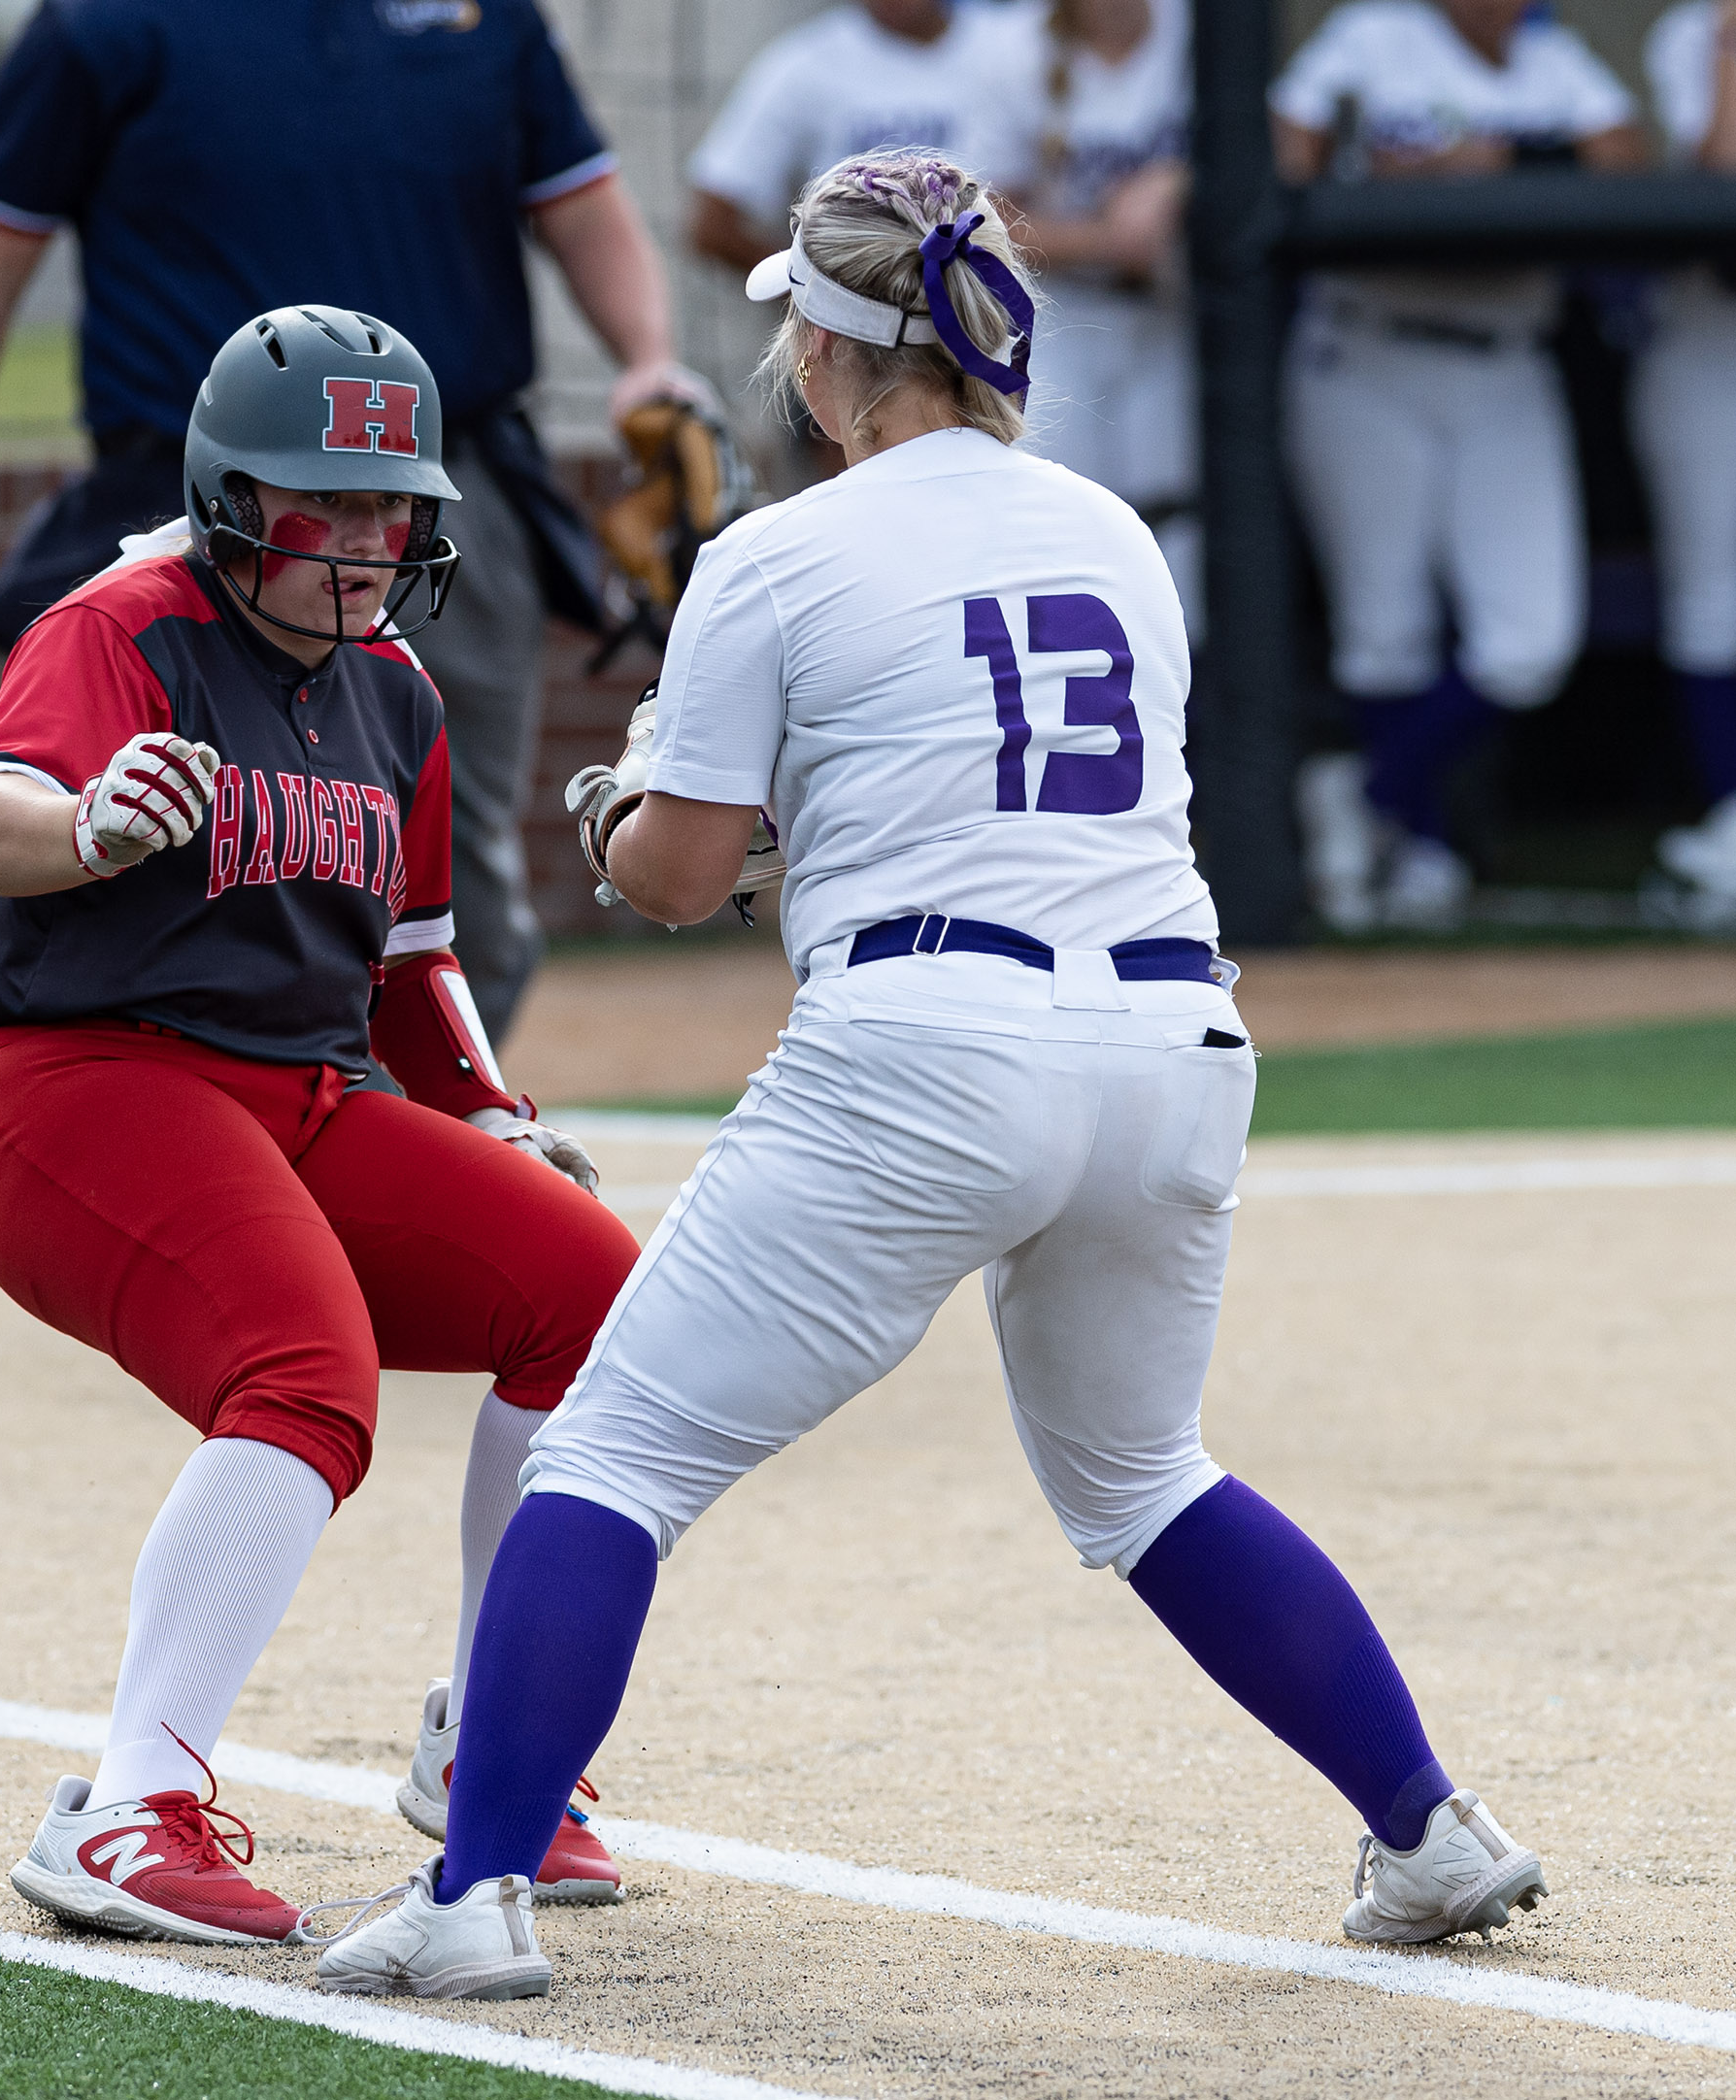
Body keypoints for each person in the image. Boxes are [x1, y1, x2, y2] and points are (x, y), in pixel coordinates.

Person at [305, 152, 1548, 2000]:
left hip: (927, 1048)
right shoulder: (1112, 529)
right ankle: (1430, 1825)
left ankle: (476, 1890)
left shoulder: (778, 552)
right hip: (1170, 1043)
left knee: (608, 1451)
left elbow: (664, 875)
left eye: (800, 328)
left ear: (832, 352)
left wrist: (636, 781)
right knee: (1144, 1479)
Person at [0, 306, 640, 1945]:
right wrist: (88, 823)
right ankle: (129, 1807)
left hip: (305, 1089)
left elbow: (414, 956)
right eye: (330, 505)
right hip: (83, 1077)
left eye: (394, 508)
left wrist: (487, 1110)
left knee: (599, 1293)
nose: (369, 541)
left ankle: (497, 1756)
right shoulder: (127, 622)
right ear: (236, 498)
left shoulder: (394, 690)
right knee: (301, 1368)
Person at [0, 0, 699, 1048]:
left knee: (448, 887)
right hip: (202, 504)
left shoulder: (488, 17)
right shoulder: (100, 22)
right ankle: (191, 1129)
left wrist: (648, 358)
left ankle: (412, 1135)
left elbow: (582, 203)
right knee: (161, 848)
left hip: (436, 494)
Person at [1271, 0, 1647, 933]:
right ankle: (1420, 852)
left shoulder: (1552, 58)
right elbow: (1284, 162)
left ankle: (1365, 791)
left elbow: (1628, 168)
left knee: (1529, 641)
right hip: (1368, 350)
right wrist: (1391, 173)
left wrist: (1501, 164)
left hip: (1507, 353)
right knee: (1383, 627)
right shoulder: (1372, 38)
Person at [985, 0, 1199, 638]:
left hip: (1170, 314)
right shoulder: (1009, 46)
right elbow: (980, 211)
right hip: (1058, 316)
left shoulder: (1191, 29)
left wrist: (1172, 181)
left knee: (1178, 550)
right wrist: (1107, 240)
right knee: (1058, 540)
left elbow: (1283, 148)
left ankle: (1183, 726)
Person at [686, 0, 1025, 278]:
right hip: (867, 335)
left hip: (1005, 316)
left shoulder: (1013, 48)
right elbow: (712, 224)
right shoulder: (806, 64)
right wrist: (825, 289)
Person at [1636, 0, 1736, 925]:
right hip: (1711, 346)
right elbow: (1720, 169)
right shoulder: (1694, 33)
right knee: (1715, 597)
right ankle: (1726, 829)